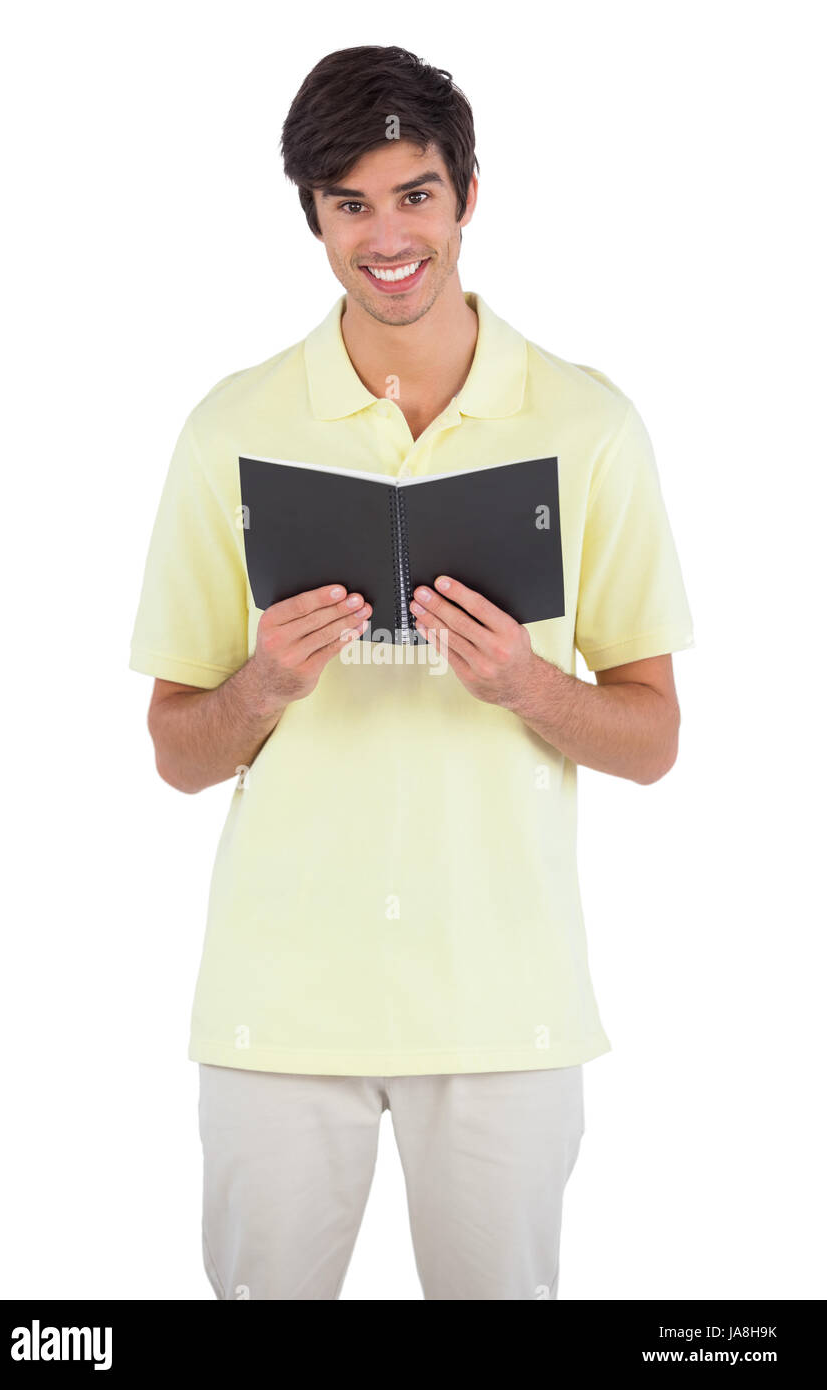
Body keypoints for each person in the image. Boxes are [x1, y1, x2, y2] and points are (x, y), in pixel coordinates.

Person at [129, 45, 694, 1301]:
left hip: (506, 998)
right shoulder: (233, 425)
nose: (386, 236)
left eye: (414, 195)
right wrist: (264, 684)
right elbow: (174, 750)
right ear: (314, 219)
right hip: (278, 1002)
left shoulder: (585, 422)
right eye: (350, 204)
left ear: (467, 196)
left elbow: (653, 738)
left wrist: (528, 688)